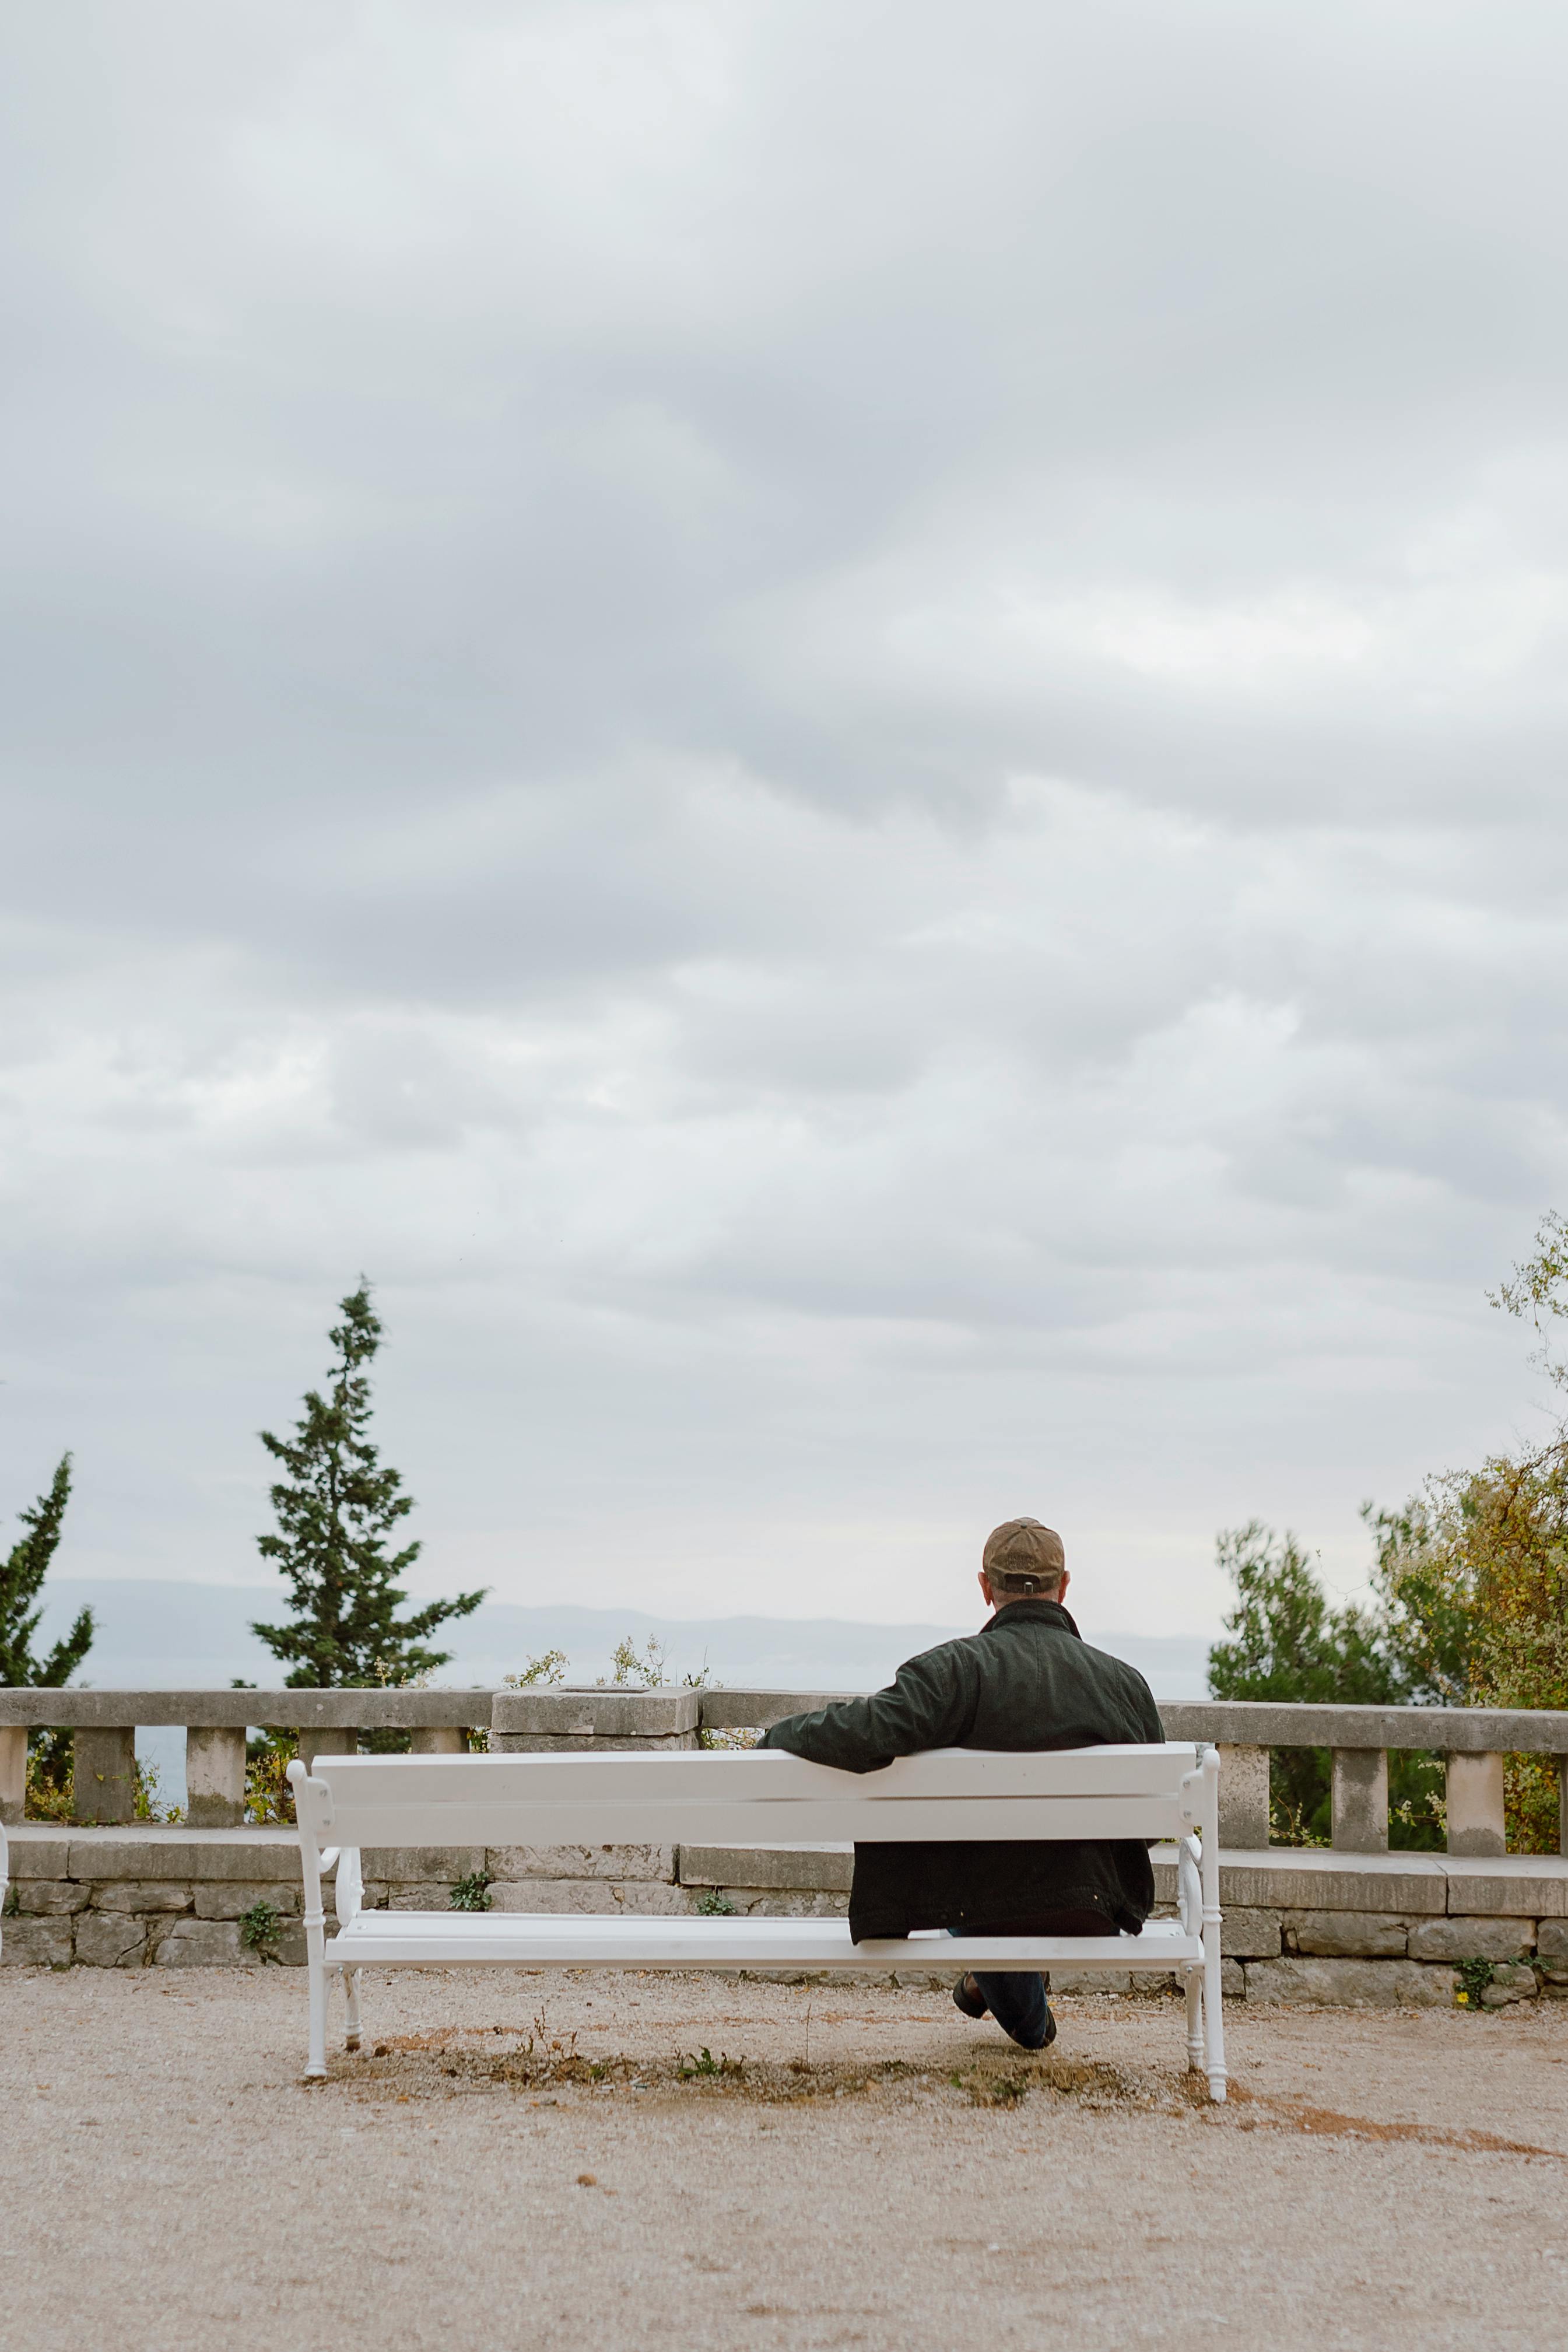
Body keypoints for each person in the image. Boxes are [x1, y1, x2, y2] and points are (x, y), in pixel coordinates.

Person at [760, 1517, 1165, 2051]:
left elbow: (866, 1731)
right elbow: (1155, 1825)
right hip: (1088, 1902)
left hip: (969, 1901)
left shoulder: (952, 1672)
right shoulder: (1124, 1684)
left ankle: (1022, 2012)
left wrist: (775, 1737)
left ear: (984, 1586)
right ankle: (992, 1981)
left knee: (988, 1894)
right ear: (1064, 1586)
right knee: (1016, 1891)